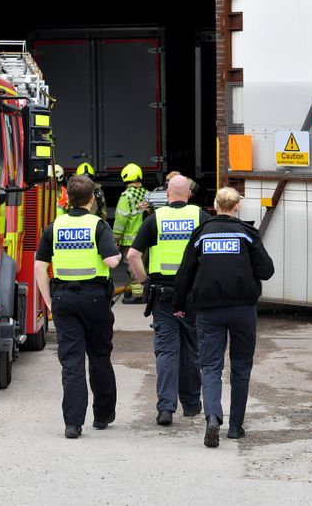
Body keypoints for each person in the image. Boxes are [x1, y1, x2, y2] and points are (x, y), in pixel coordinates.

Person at [173, 187, 274, 448]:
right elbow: (267, 271)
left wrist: (179, 304)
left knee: (210, 367)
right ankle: (236, 426)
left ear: (215, 206)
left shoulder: (201, 236)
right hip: (242, 311)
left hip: (208, 312)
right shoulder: (247, 234)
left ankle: (213, 418)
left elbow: (184, 273)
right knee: (241, 367)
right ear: (237, 207)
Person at [34, 175, 122, 439]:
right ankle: (102, 415)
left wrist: (49, 301)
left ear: (68, 199)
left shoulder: (54, 227)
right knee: (99, 356)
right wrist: (115, 253)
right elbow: (112, 262)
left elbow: (39, 267)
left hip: (63, 299)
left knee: (71, 362)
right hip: (95, 299)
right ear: (92, 199)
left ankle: (73, 424)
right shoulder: (99, 225)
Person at [128, 175, 210, 426]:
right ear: (188, 195)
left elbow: (132, 256)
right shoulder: (201, 217)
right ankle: (192, 404)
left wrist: (144, 282)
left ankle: (165, 409)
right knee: (192, 348)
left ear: (167, 195)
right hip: (193, 295)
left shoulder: (155, 219)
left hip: (163, 295)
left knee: (166, 351)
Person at [113, 163, 148, 304]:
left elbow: (121, 220)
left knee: (132, 266)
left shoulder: (126, 196)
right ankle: (144, 291)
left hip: (130, 240)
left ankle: (138, 295)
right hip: (144, 238)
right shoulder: (146, 193)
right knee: (143, 264)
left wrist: (115, 238)